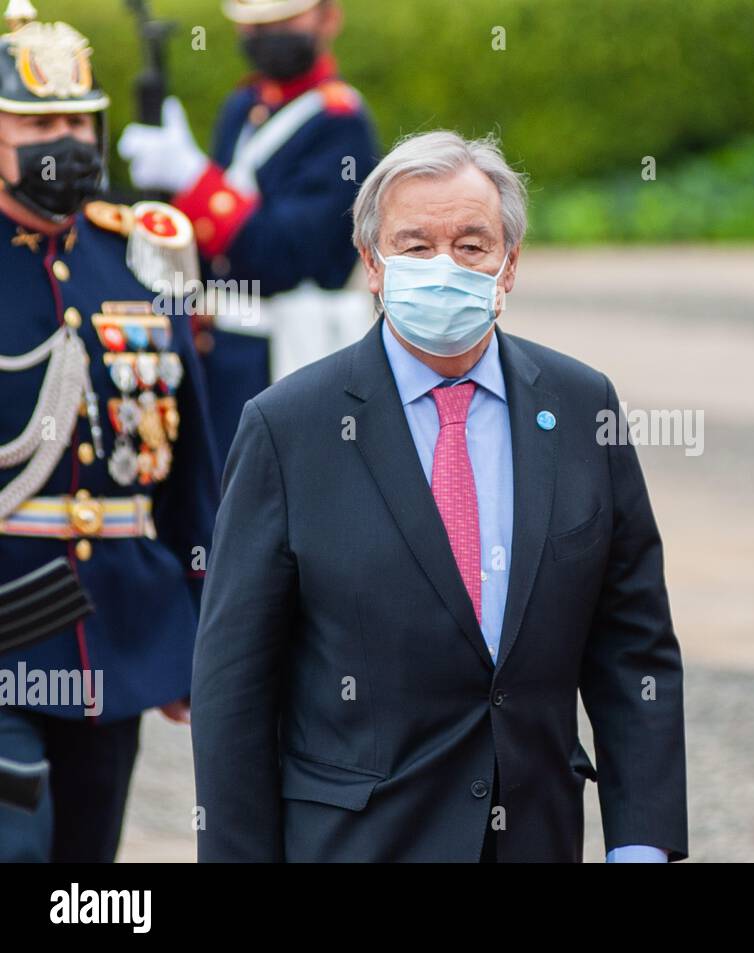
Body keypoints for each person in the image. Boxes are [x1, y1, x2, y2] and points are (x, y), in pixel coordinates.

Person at [190, 130, 688, 862]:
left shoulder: (584, 406)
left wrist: (641, 843)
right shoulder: (289, 427)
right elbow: (234, 683)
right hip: (359, 841)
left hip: (535, 836)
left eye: (471, 245)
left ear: (510, 264)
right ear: (372, 263)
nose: (444, 267)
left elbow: (633, 643)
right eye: (415, 246)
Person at [0, 1, 218, 861]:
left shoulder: (142, 251)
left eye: (79, 122)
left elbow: (189, 461)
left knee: (85, 866)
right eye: (38, 124)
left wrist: (203, 626)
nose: (67, 141)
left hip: (116, 625)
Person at [118, 0, 380, 463]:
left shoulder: (341, 123)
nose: (270, 34)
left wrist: (194, 180)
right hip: (218, 347)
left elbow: (286, 255)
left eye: (285, 20)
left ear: (328, 17)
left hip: (284, 351)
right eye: (258, 25)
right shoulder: (244, 106)